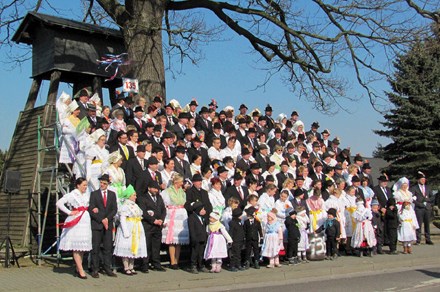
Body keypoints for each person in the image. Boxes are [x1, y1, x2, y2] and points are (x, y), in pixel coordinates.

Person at [56, 177, 92, 279]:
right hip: (77, 221)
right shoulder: (72, 194)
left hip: (85, 220)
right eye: (84, 185)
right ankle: (80, 270)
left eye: (86, 185)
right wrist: (70, 212)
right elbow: (59, 203)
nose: (85, 187)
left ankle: (78, 267)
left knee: (82, 246)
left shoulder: (86, 194)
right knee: (76, 246)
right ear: (78, 185)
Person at [113, 185, 148, 275]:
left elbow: (139, 215)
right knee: (127, 246)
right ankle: (126, 267)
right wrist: (125, 231)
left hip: (136, 227)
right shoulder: (125, 206)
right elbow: (122, 219)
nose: (135, 197)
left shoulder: (135, 205)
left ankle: (131, 266)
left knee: (134, 247)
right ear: (129, 196)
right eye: (134, 195)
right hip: (129, 227)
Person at [88, 174, 118, 278]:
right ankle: (95, 268)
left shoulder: (112, 194)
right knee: (95, 247)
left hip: (107, 224)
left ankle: (107, 267)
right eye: (101, 182)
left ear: (108, 184)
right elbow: (91, 208)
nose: (102, 185)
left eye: (104, 183)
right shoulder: (94, 194)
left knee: (108, 247)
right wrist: (101, 219)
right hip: (97, 224)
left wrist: (107, 219)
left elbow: (114, 209)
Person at [161, 173, 190, 269]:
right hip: (172, 214)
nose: (182, 183)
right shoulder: (167, 191)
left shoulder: (182, 192)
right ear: (176, 181)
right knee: (172, 240)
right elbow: (164, 204)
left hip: (181, 215)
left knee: (179, 240)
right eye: (181, 181)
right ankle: (172, 260)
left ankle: (177, 260)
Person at [137, 181, 167, 272]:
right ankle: (145, 265)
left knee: (156, 246)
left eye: (157, 189)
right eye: (154, 188)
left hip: (158, 226)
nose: (156, 190)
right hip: (148, 225)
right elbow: (143, 212)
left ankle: (156, 264)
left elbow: (163, 209)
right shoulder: (143, 198)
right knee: (147, 245)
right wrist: (153, 220)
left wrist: (161, 219)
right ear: (149, 188)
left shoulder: (159, 197)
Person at [410, 171, 435, 245]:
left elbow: (432, 196)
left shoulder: (428, 187)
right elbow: (412, 198)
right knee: (419, 224)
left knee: (427, 224)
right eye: (421, 179)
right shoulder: (414, 188)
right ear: (418, 180)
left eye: (424, 179)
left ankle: (428, 239)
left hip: (427, 208)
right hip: (419, 208)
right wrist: (419, 204)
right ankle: (418, 239)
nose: (423, 181)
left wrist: (428, 201)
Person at [187, 201, 208, 274]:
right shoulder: (191, 218)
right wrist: (193, 238)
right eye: (202, 209)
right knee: (194, 253)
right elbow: (191, 229)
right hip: (195, 239)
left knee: (201, 253)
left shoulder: (202, 217)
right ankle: (193, 266)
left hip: (202, 238)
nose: (203, 211)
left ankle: (201, 265)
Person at [228, 208, 245, 272]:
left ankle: (238, 264)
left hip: (240, 240)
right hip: (235, 241)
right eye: (240, 215)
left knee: (239, 254)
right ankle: (232, 265)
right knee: (234, 254)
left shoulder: (239, 222)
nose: (241, 217)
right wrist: (230, 240)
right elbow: (231, 232)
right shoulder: (232, 223)